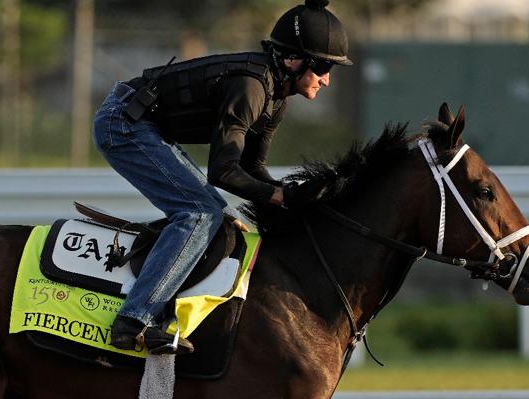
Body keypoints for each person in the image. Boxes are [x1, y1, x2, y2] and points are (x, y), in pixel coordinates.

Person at [94, 0, 353, 356]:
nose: (327, 79)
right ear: (294, 60)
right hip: (123, 123)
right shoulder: (252, 87)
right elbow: (223, 172)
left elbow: (252, 169)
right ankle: (135, 321)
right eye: (323, 66)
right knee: (200, 213)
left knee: (216, 212)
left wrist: (291, 194)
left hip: (148, 126)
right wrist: (281, 197)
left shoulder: (276, 97)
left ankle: (166, 309)